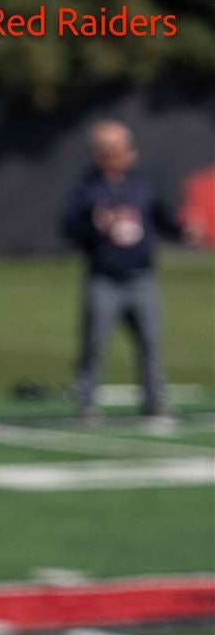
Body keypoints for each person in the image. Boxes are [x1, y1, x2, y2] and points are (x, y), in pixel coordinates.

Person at [62, 119, 192, 422]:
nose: (127, 152)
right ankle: (86, 401)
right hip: (105, 278)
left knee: (150, 343)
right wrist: (95, 225)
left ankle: (155, 400)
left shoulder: (141, 183)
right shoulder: (87, 188)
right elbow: (69, 227)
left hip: (142, 276)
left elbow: (162, 218)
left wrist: (184, 231)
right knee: (94, 344)